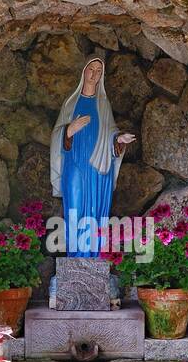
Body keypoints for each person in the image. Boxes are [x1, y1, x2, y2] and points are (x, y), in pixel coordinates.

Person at [49, 56, 137, 258]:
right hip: (75, 166)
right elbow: (56, 135)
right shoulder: (71, 103)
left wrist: (119, 140)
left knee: (95, 214)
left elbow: (110, 132)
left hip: (98, 170)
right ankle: (75, 261)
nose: (94, 74)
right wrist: (69, 130)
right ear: (84, 71)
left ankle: (94, 261)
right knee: (75, 209)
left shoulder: (103, 104)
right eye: (91, 68)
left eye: (99, 71)